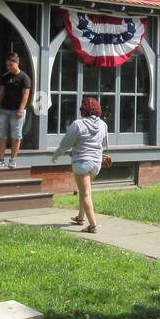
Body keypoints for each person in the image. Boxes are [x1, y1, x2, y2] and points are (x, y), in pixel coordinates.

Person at [52, 95, 108, 233]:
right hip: (96, 163)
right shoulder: (103, 124)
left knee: (85, 193)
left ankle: (93, 226)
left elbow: (66, 143)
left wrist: (56, 155)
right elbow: (105, 144)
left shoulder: (78, 124)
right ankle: (80, 217)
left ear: (83, 109)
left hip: (82, 162)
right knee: (85, 191)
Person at [0, 50, 31, 168]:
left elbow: (25, 95)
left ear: (17, 63)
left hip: (17, 111)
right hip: (4, 109)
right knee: (1, 134)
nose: (9, 67)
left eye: (11, 65)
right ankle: (1, 160)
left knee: (16, 135)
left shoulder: (24, 77)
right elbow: (1, 93)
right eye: (7, 65)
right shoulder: (5, 77)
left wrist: (21, 109)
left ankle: (13, 160)